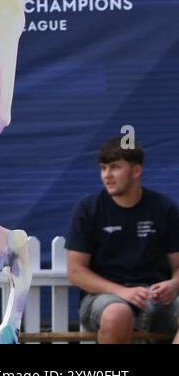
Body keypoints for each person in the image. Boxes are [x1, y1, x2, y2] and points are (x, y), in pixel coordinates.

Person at [67, 137, 179, 344]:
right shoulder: (88, 208)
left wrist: (173, 284)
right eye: (103, 168)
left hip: (155, 299)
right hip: (105, 297)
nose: (106, 176)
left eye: (115, 168)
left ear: (136, 171)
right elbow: (76, 272)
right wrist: (122, 292)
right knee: (117, 314)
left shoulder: (164, 208)